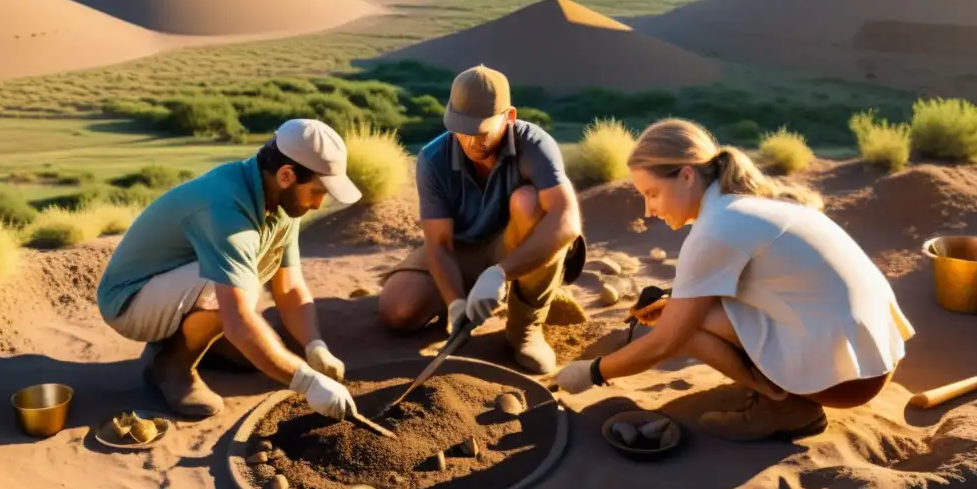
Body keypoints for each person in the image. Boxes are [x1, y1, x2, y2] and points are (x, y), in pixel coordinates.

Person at [553, 118, 914, 441]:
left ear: (687, 175)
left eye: (652, 194)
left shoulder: (716, 229)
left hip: (846, 382)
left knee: (678, 328)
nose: (649, 210)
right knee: (677, 314)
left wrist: (593, 371)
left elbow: (664, 344)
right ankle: (783, 386)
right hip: (874, 360)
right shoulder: (750, 206)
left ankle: (783, 406)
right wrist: (673, 307)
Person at [97, 119, 362, 421]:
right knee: (237, 294)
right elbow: (237, 317)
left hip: (172, 290)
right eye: (317, 191)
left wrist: (315, 345)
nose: (317, 204)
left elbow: (288, 286)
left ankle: (195, 339)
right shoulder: (226, 207)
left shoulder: (283, 201)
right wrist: (308, 383)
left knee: (257, 345)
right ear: (287, 174)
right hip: (130, 302)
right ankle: (171, 366)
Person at [378, 64, 584, 374]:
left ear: (509, 116)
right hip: (462, 248)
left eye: (483, 128)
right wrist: (455, 303)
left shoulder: (536, 144)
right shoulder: (432, 159)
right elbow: (440, 243)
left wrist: (500, 274)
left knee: (529, 204)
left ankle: (525, 327)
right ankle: (467, 301)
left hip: (513, 245)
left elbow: (566, 221)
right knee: (399, 311)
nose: (472, 139)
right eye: (462, 127)